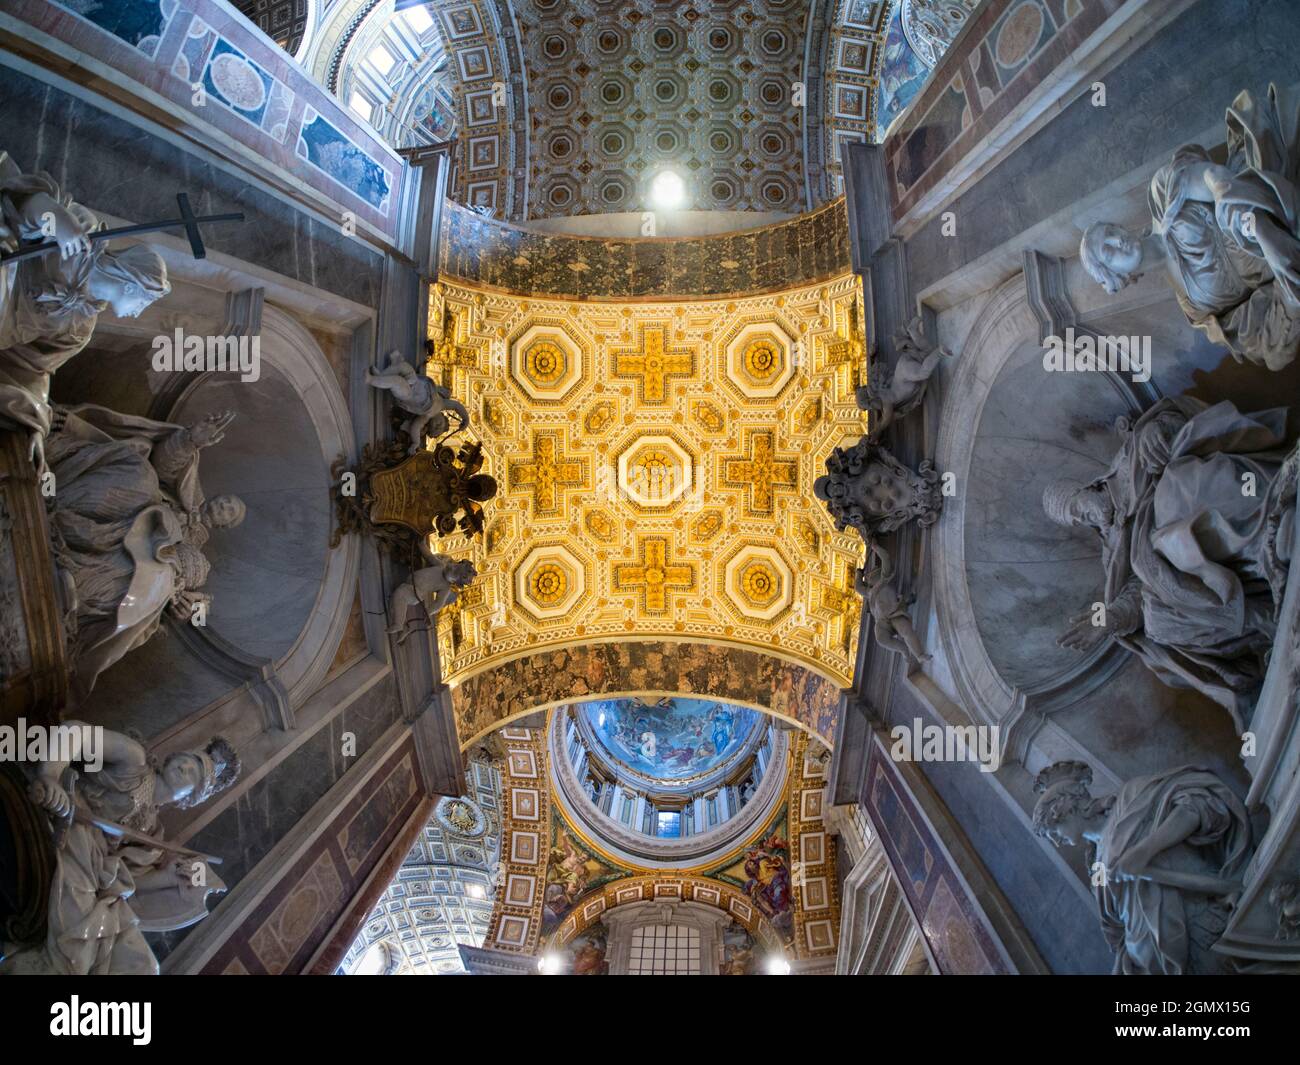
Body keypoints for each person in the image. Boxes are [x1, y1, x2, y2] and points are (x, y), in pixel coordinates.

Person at [1044, 396, 1295, 731]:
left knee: (1170, 499)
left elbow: (1180, 425)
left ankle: (1270, 530)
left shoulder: (1127, 460)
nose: (1083, 516)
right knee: (1158, 621)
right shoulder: (1112, 551)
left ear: (1087, 487)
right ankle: (1262, 617)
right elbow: (1136, 593)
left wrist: (1157, 430)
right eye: (1076, 519)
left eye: (1076, 506)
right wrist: (1112, 617)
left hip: (1186, 498)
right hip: (1181, 569)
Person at [2, 725, 239, 975]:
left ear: (190, 798)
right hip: (70, 826)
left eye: (195, 774)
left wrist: (172, 877)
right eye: (189, 759)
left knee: (141, 964)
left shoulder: (151, 833)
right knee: (78, 948)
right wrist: (50, 776)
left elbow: (130, 881)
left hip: (94, 865)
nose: (186, 766)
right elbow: (74, 732)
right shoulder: (134, 761)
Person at [45, 404, 245, 698]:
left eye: (229, 511)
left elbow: (192, 604)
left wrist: (189, 610)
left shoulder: (194, 554)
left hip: (128, 556)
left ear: (224, 527)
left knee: (146, 582)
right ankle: (57, 502)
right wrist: (192, 439)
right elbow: (164, 465)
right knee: (141, 472)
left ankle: (73, 584)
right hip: (125, 508)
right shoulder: (188, 490)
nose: (224, 506)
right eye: (227, 500)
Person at [0, 150, 170, 473]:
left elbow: (34, 369)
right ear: (132, 285)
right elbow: (22, 204)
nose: (137, 313)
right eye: (142, 303)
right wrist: (55, 219)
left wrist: (32, 423)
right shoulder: (85, 234)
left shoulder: (80, 329)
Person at [1033, 760, 1250, 975]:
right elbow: (1116, 928)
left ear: (1067, 809)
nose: (1056, 842)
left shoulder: (1130, 798)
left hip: (1201, 928)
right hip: (1156, 966)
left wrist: (1144, 851)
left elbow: (1199, 804)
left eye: (1054, 831)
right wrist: (1125, 959)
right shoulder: (1095, 866)